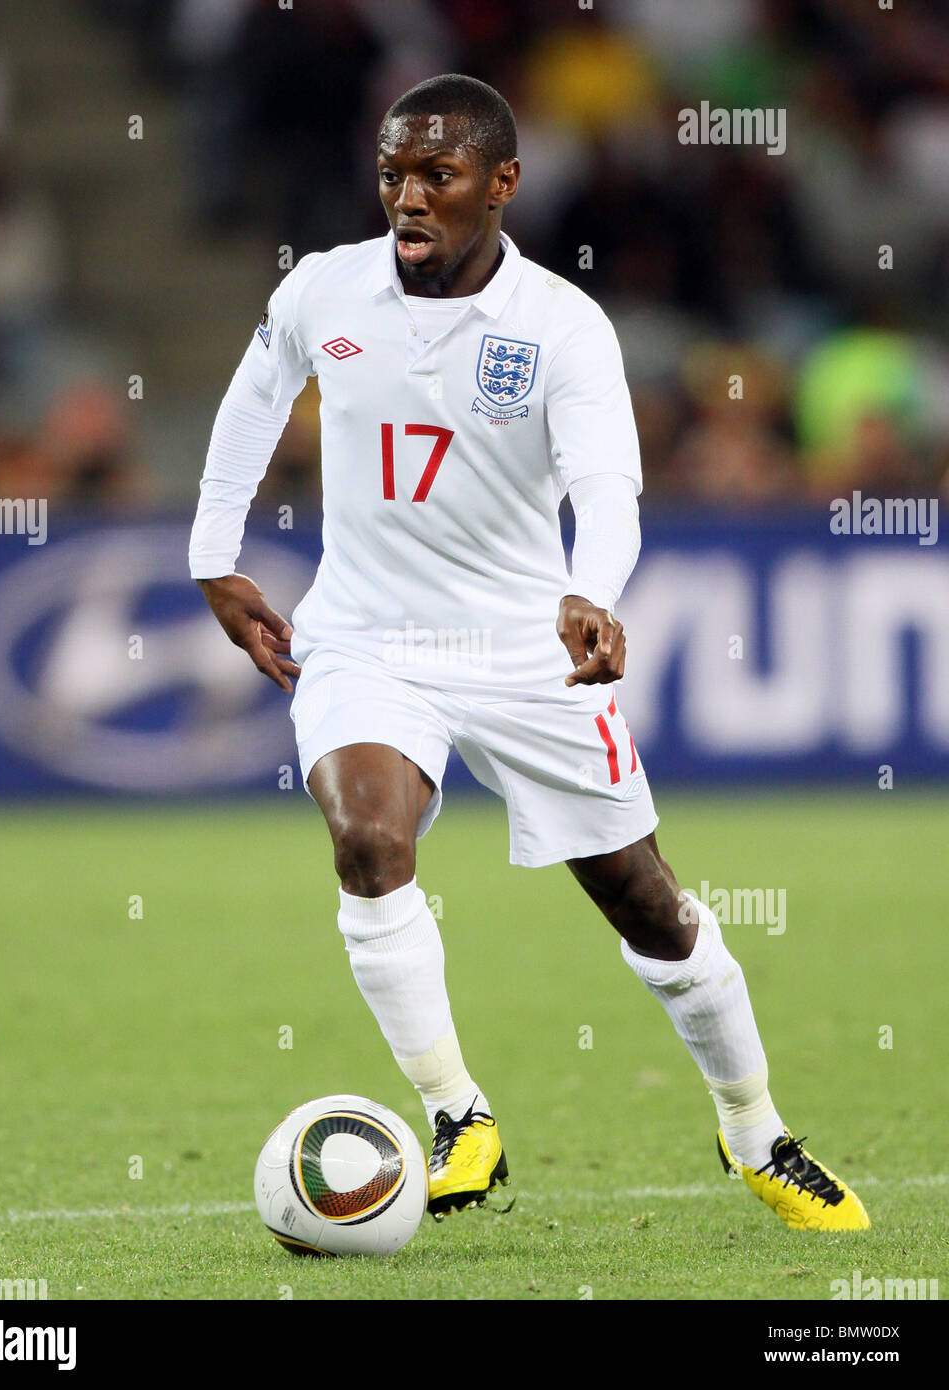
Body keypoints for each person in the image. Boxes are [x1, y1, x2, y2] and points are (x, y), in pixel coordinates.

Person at [189, 74, 868, 1233]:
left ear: (501, 185)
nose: (408, 197)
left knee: (649, 907)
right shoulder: (323, 288)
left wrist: (590, 593)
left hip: (521, 650)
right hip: (368, 638)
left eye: (437, 177)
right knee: (365, 838)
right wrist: (216, 555)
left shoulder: (561, 326)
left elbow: (610, 491)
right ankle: (459, 1115)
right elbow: (256, 399)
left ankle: (755, 1129)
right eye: (393, 173)